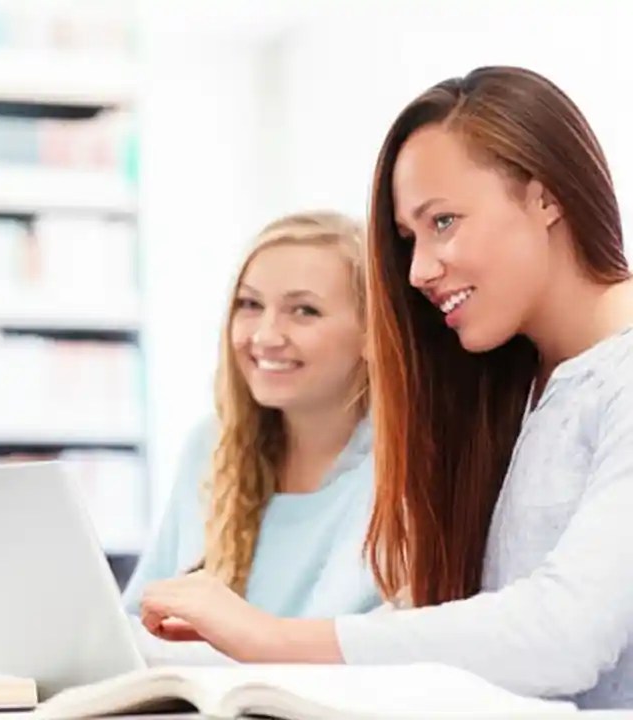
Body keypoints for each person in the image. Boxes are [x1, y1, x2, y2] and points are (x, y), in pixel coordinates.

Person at [137, 66, 633, 710]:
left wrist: (272, 638)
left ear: (545, 198)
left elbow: (564, 635)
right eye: (409, 239)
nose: (421, 270)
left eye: (445, 221)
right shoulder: (518, 391)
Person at [122, 211, 380, 624]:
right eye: (250, 305)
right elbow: (135, 620)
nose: (265, 336)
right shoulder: (209, 446)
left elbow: (348, 647)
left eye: (304, 311)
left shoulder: (403, 472)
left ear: (374, 332)